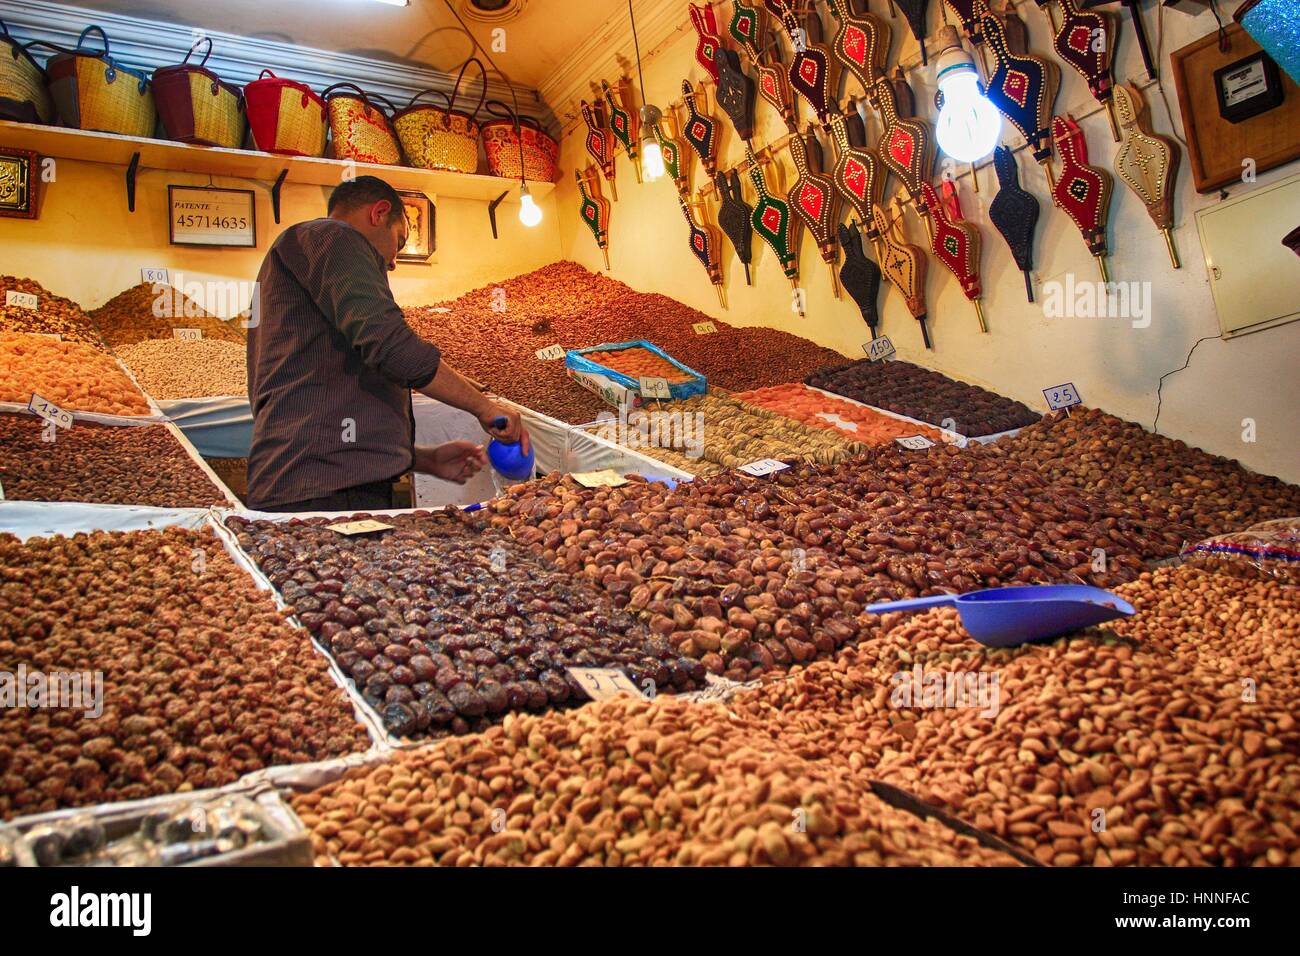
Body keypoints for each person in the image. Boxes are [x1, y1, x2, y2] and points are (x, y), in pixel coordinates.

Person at [245, 175, 529, 512]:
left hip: (312, 484)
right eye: (399, 240)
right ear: (379, 213)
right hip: (323, 491)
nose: (394, 261)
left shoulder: (300, 258)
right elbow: (394, 348)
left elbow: (336, 395)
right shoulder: (333, 236)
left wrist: (424, 459)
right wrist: (487, 409)